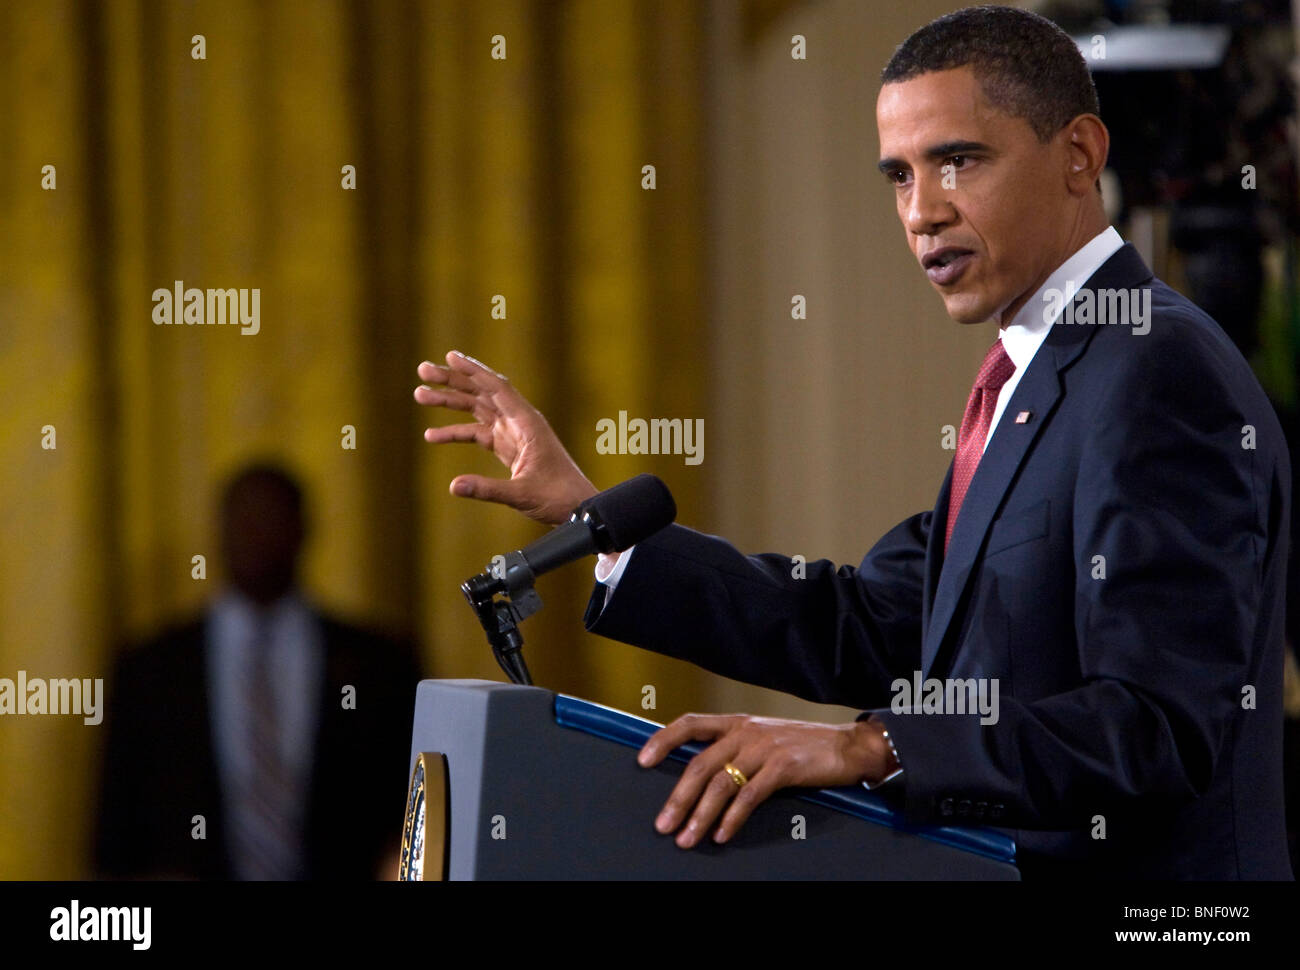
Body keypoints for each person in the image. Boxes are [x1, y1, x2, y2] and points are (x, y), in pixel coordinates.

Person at [412, 6, 1291, 879]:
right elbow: (877, 625)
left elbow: (1158, 729)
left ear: (1080, 153)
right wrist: (589, 516)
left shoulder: (1154, 370)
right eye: (899, 176)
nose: (922, 211)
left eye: (957, 160)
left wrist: (873, 748)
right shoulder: (1041, 371)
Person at [95, 463, 423, 880]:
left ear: (304, 530)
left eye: (272, 518)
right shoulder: (152, 666)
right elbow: (114, 832)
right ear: (219, 530)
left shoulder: (378, 662)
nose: (256, 533)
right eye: (243, 518)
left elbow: (413, 813)